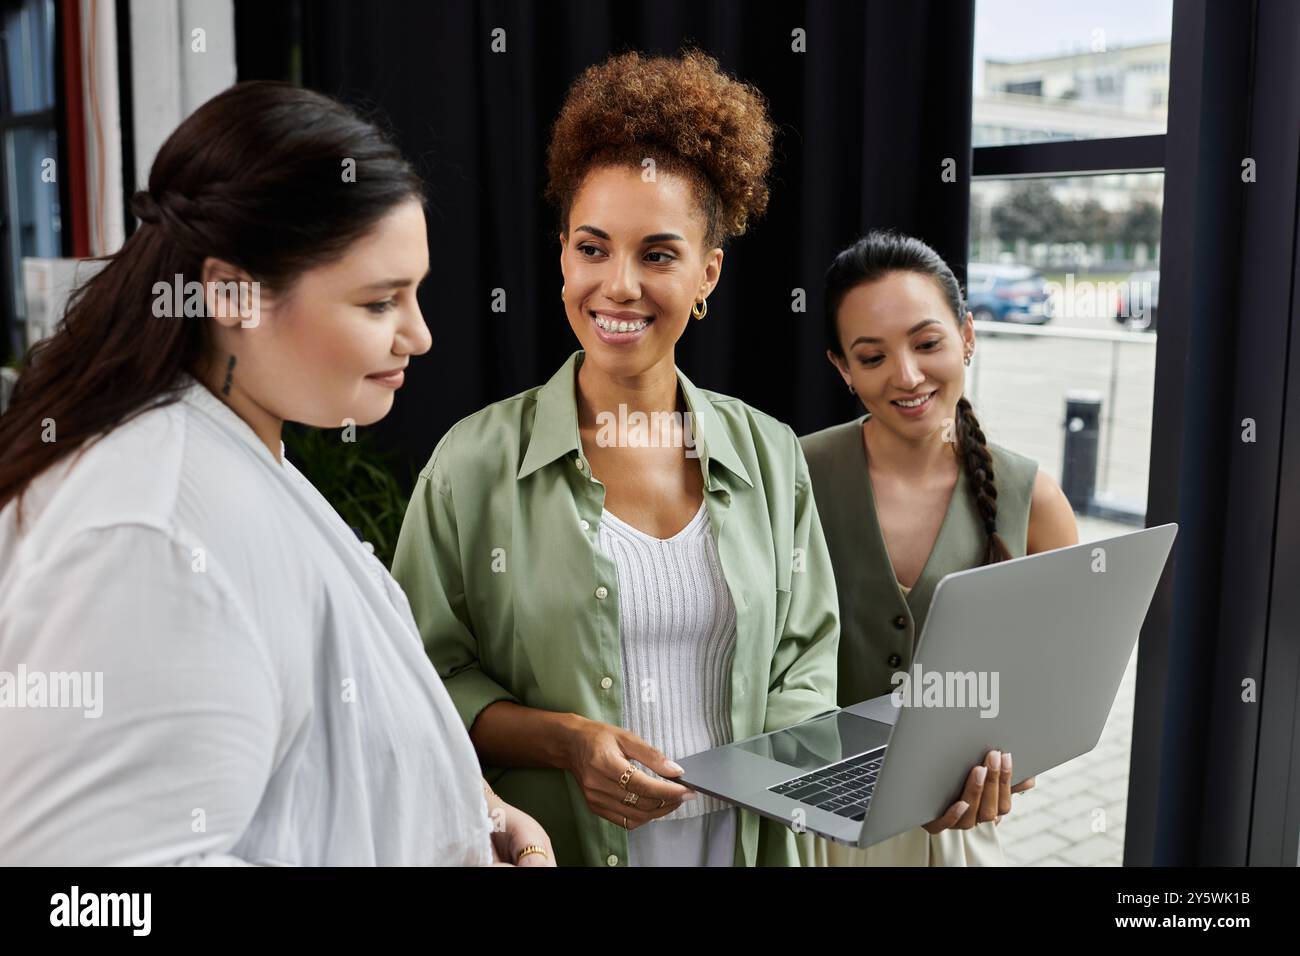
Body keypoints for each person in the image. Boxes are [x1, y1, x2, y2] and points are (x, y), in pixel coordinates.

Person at [0, 81, 552, 866]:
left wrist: (473, 813)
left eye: (415, 295)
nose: (420, 337)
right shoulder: (152, 543)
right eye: (378, 303)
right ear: (232, 294)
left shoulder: (243, 449)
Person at [391, 50, 839, 867]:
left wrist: (899, 778)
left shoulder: (771, 455)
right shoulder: (472, 465)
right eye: (593, 248)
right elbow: (421, 683)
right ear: (562, 256)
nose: (619, 285)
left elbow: (806, 665)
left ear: (708, 273)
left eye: (658, 255)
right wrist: (567, 743)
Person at [799, 230, 1079, 866]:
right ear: (842, 368)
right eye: (871, 357)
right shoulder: (793, 476)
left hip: (954, 835)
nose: (907, 375)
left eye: (927, 343)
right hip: (812, 827)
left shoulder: (1031, 498)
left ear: (968, 335)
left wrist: (1017, 762)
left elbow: (1059, 687)